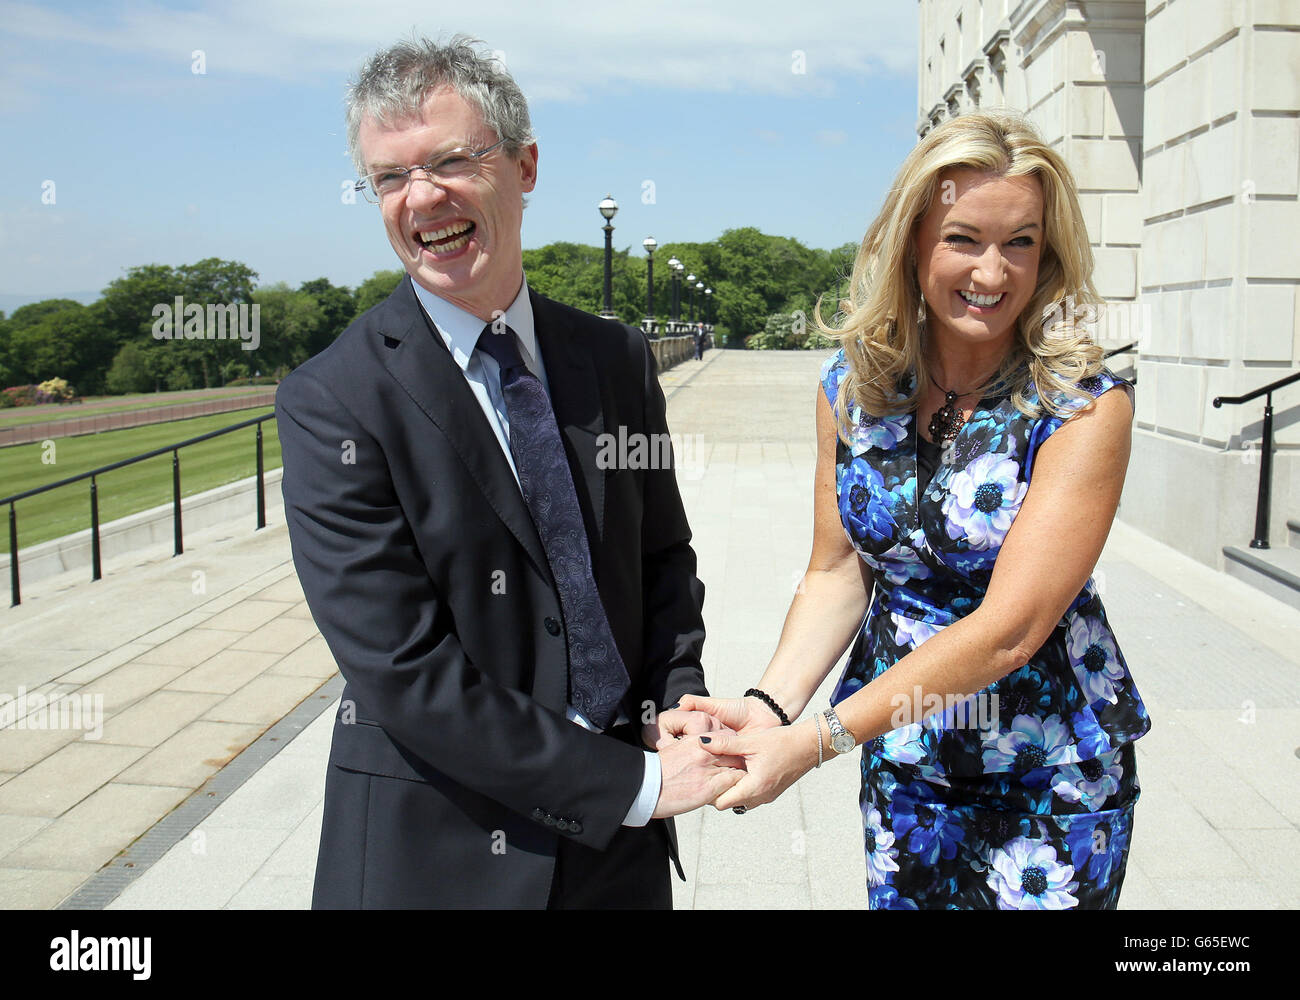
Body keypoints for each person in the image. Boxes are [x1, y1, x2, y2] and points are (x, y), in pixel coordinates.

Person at [276, 35, 740, 909]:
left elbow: (661, 560)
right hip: (442, 860)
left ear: (524, 166)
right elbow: (405, 670)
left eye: (451, 160)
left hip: (621, 862)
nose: (421, 198)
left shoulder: (614, 358)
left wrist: (675, 701)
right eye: (389, 176)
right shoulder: (331, 400)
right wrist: (633, 786)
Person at [684, 111, 1150, 909]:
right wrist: (769, 707)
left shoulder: (1082, 408)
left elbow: (1009, 631)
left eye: (1021, 243)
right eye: (963, 238)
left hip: (1050, 775)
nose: (993, 273)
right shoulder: (852, 386)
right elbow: (836, 572)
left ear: (1051, 254)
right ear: (911, 243)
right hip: (906, 763)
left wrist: (818, 740)